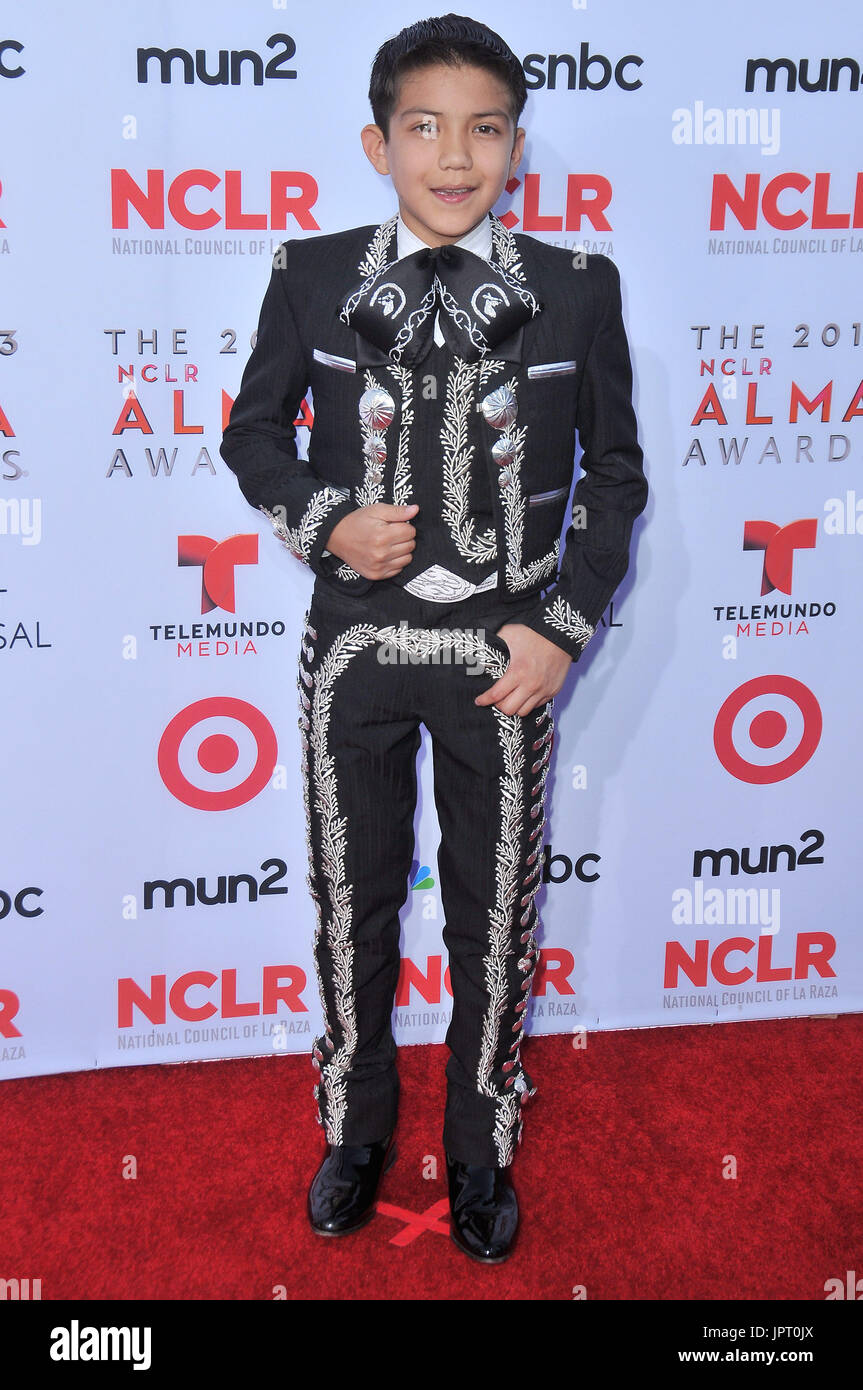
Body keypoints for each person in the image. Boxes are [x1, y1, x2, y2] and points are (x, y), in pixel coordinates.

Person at [220, 12, 647, 1264]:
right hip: (352, 646)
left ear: (516, 145)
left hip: (504, 659)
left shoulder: (576, 286)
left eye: (483, 129)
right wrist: (326, 520)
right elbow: (252, 437)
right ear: (376, 142)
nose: (452, 157)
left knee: (490, 915)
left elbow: (613, 479)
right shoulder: (309, 272)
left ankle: (479, 1144)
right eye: (423, 128)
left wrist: (562, 629)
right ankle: (354, 1126)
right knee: (350, 902)